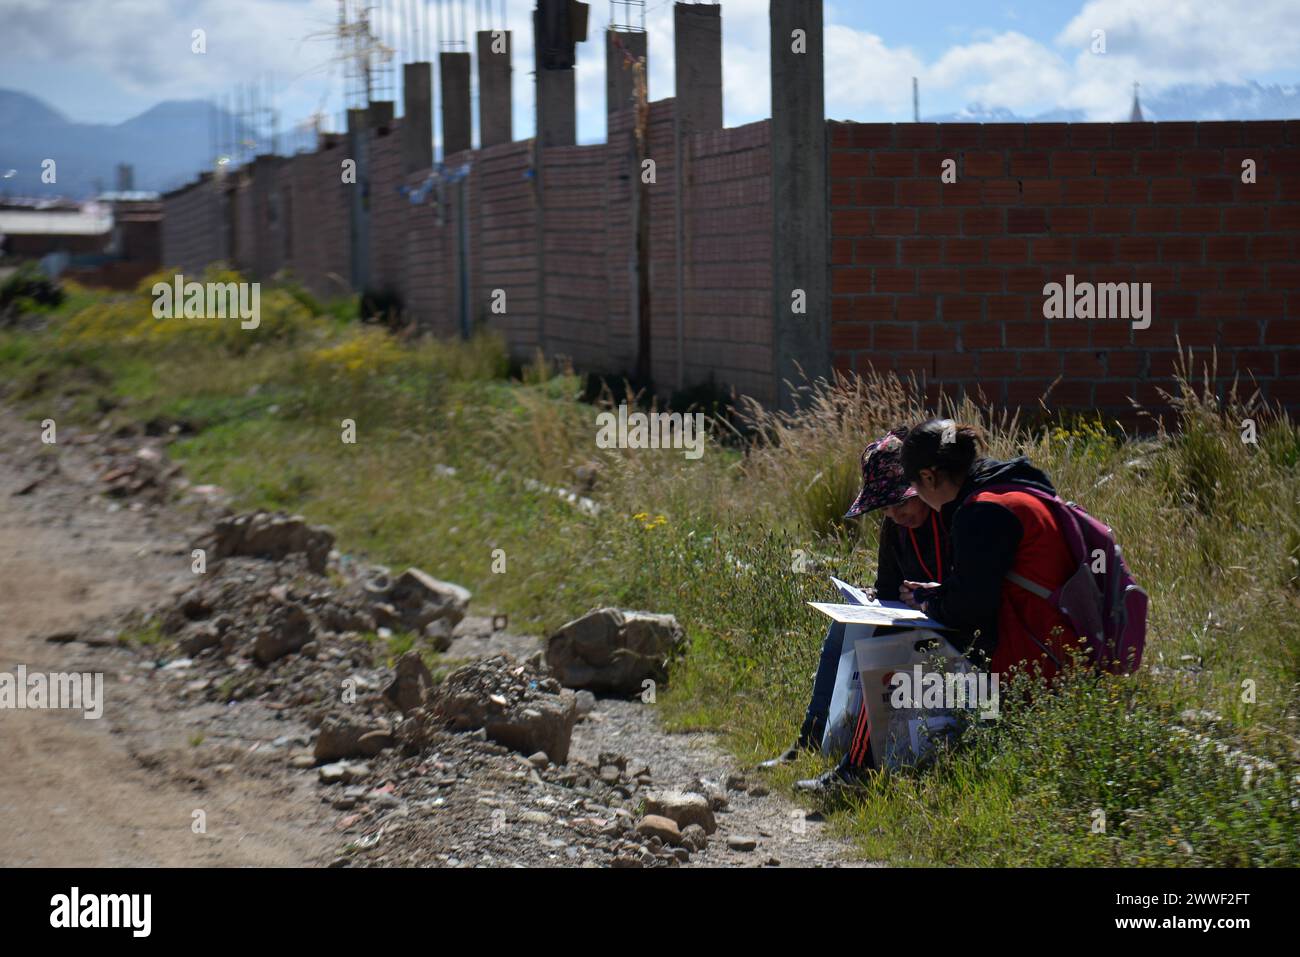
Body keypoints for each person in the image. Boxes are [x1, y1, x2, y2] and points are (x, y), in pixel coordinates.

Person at [758, 427, 952, 791]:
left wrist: (930, 598)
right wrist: (870, 601)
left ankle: (858, 769)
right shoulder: (895, 530)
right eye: (886, 508)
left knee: (886, 638)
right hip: (919, 622)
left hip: (954, 631)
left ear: (924, 489)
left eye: (902, 503)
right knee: (844, 628)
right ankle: (812, 737)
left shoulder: (952, 519)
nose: (896, 514)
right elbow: (887, 590)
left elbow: (971, 591)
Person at [897, 418, 1084, 683]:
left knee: (909, 672)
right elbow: (987, 586)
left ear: (929, 477)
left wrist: (928, 602)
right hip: (1064, 648)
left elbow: (970, 609)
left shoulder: (981, 512)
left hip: (1032, 669)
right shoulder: (1013, 488)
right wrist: (943, 593)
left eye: (915, 486)